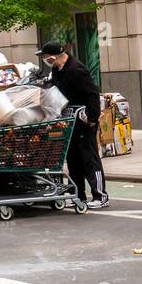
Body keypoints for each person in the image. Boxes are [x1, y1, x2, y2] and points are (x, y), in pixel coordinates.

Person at [37, 40, 108, 209]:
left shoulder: (76, 70)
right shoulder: (56, 69)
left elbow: (92, 93)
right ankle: (79, 195)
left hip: (83, 118)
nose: (45, 59)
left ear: (53, 57)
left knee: (89, 157)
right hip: (68, 119)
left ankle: (100, 196)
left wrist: (92, 118)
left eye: (46, 57)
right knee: (73, 158)